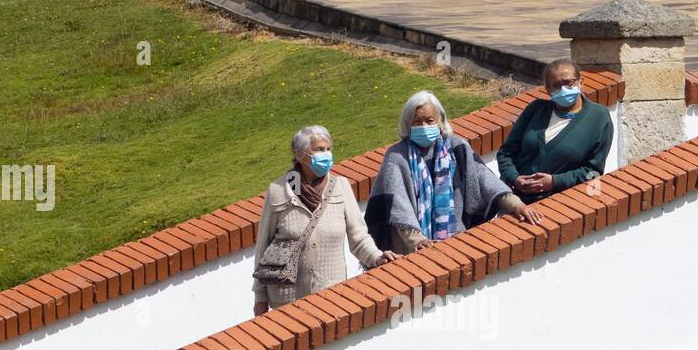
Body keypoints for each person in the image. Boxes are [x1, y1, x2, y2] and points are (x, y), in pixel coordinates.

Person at [365, 90, 541, 255]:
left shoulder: (457, 147)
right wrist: (418, 240)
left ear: (441, 121)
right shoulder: (396, 156)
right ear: (407, 125)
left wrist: (516, 204)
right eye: (417, 122)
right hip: (412, 249)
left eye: (429, 120)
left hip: (457, 239)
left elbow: (484, 178)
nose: (424, 126)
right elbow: (398, 206)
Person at [253, 125, 395, 315]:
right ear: (300, 155)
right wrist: (260, 299)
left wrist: (377, 257)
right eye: (319, 150)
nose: (326, 155)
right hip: (286, 302)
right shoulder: (279, 191)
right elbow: (263, 248)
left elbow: (359, 237)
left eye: (328, 149)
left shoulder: (340, 187)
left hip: (332, 298)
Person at [497, 58, 614, 203]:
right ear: (548, 89)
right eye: (556, 85)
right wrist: (514, 178)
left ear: (580, 82)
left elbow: (593, 172)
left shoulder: (598, 117)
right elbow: (506, 152)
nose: (563, 89)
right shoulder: (536, 109)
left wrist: (554, 181)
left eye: (568, 83)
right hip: (515, 199)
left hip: (559, 204)